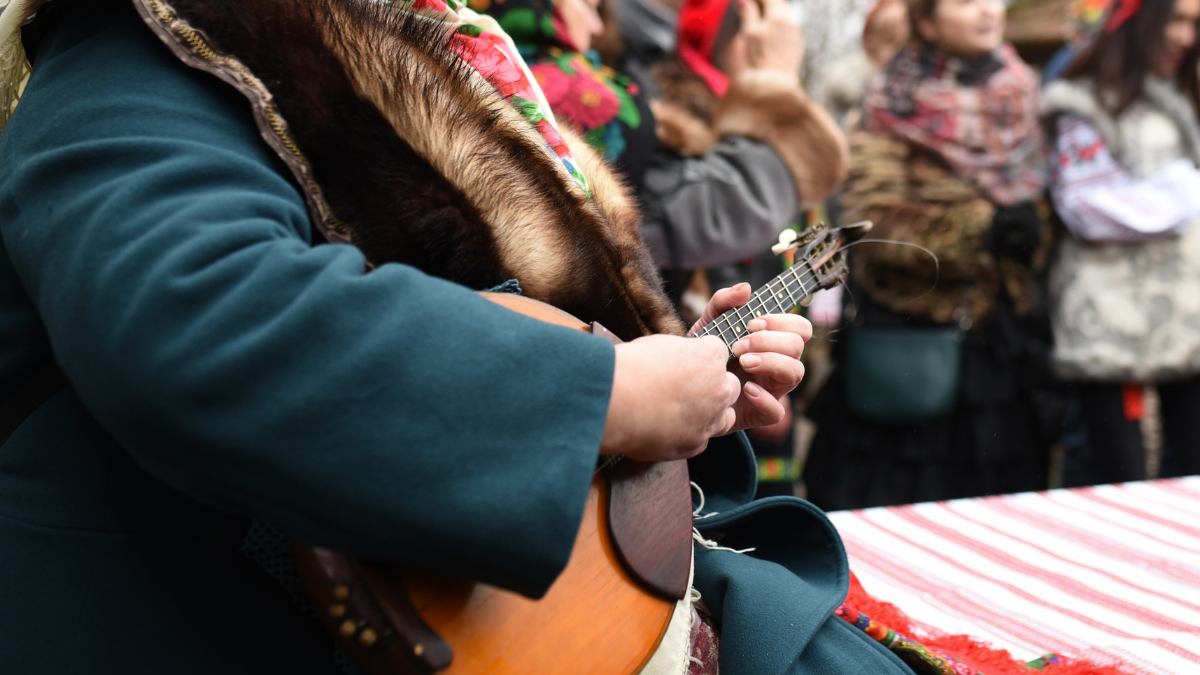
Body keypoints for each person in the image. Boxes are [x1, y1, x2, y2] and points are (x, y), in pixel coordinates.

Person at [0, 0, 913, 672]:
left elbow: (487, 322)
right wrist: (605, 393)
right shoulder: (135, 47)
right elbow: (198, 321)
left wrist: (681, 386)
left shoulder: (401, 50)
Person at [804, 0, 1055, 511]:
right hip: (913, 337)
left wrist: (1038, 228)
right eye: (964, 3)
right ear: (925, 21)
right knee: (903, 509)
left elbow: (1052, 204)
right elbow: (869, 217)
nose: (987, 11)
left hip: (1003, 347)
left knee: (1003, 511)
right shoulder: (890, 100)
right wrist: (982, 228)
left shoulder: (1028, 94)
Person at [1041, 0, 1200, 486]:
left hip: (1186, 319)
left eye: (1196, 23)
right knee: (1117, 480)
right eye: (1176, 19)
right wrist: (1184, 189)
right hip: (1109, 322)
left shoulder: (1187, 93)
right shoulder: (1081, 99)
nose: (1185, 37)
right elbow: (1088, 208)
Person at [821, 0, 909, 128]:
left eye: (902, 45)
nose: (891, 54)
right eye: (886, 40)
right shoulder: (845, 89)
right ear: (868, 42)